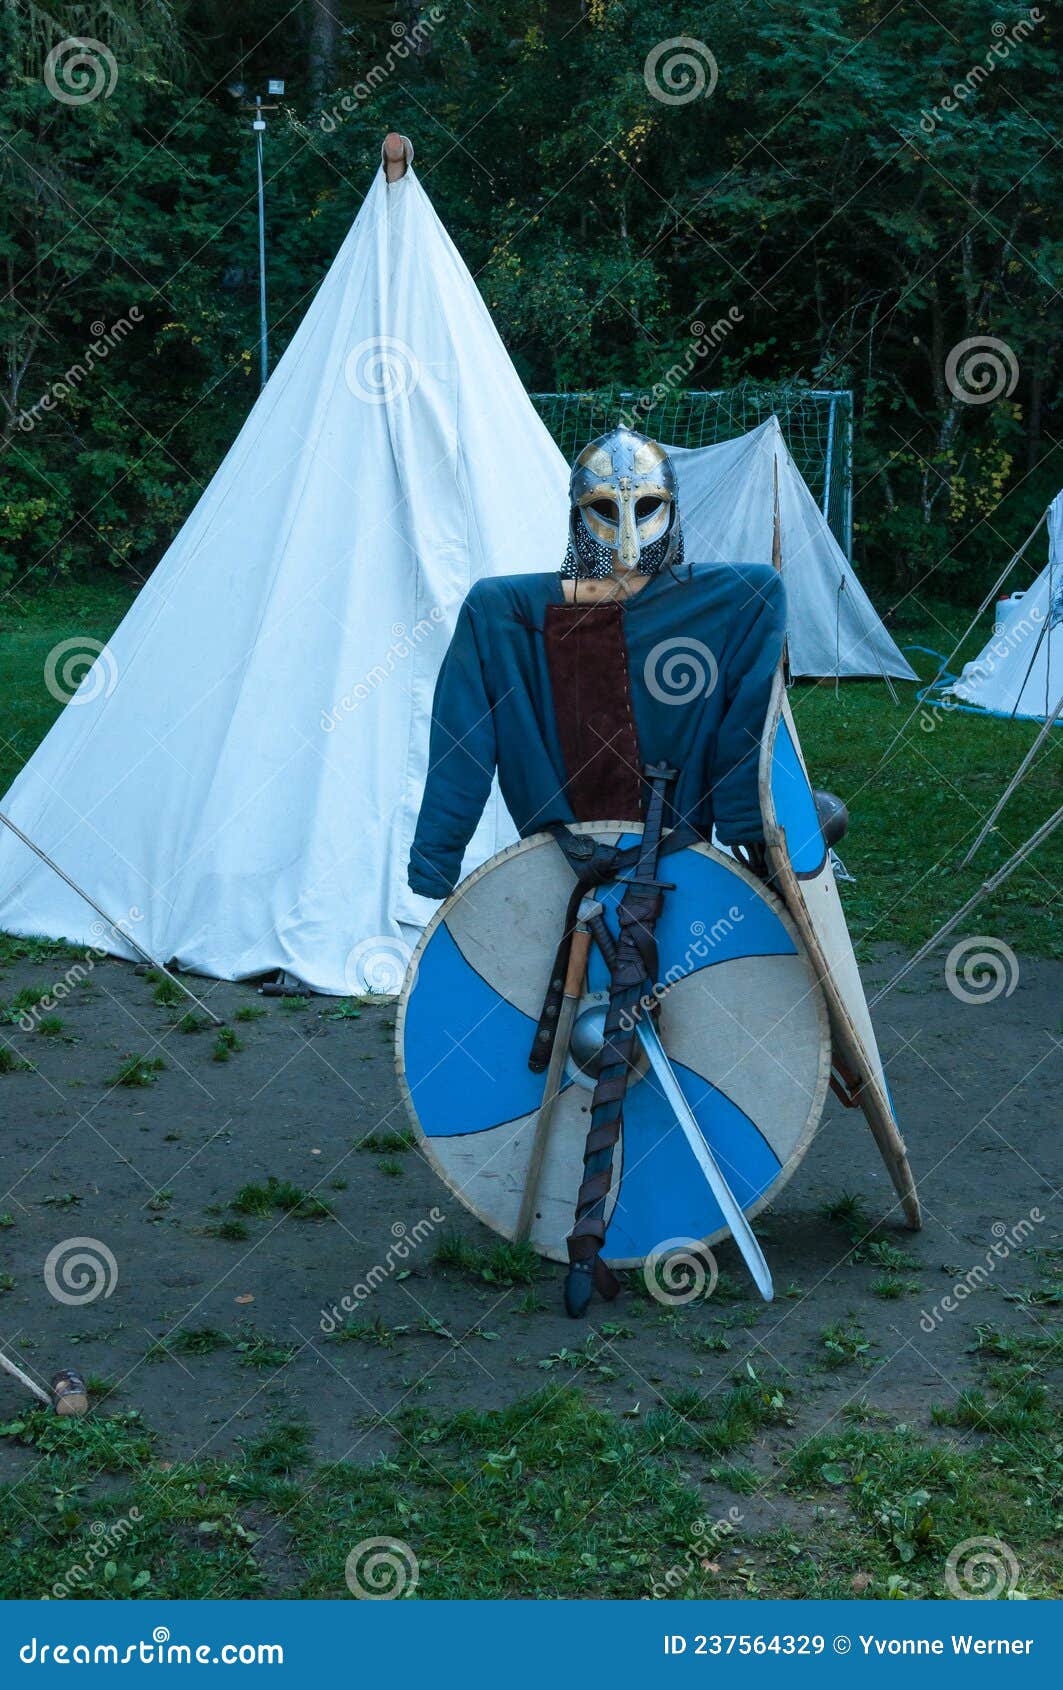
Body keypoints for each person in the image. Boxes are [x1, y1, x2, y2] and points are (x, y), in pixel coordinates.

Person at [407, 427, 785, 899]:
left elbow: (749, 726)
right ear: (578, 516)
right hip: (562, 855)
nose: (628, 538)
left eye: (645, 505)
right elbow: (460, 742)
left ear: (670, 507)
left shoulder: (742, 600)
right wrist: (435, 859)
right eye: (605, 508)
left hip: (680, 852)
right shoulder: (499, 612)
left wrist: (750, 827)